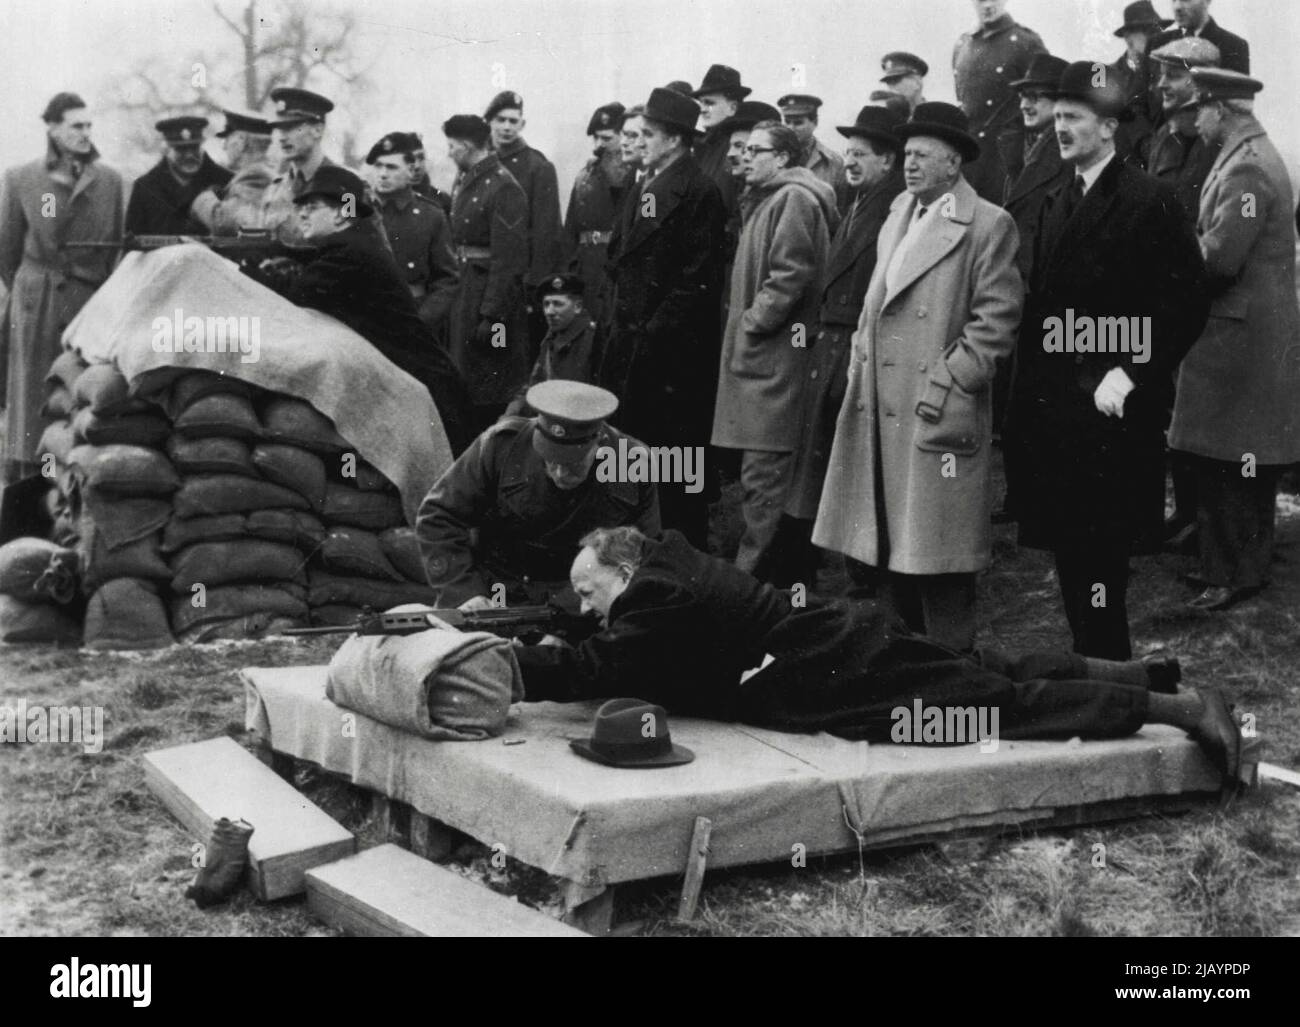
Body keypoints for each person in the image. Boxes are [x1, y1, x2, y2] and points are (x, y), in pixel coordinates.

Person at [513, 526, 1247, 786]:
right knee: (982, 667)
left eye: (589, 591)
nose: (587, 609)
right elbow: (609, 642)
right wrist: (557, 626)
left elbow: (598, 666)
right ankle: (1144, 676)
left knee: (989, 708)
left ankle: (1178, 710)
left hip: (830, 671)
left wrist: (514, 666)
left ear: (620, 572)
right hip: (843, 639)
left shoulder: (652, 600)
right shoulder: (666, 567)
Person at [1003, 61, 1208, 660]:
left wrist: (1132, 372)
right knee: (1072, 553)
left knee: (1102, 563)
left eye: (1073, 118)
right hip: (1056, 413)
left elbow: (1187, 303)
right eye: (1058, 116)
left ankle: (1111, 678)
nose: (1059, 128)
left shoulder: (1152, 200)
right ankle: (1096, 675)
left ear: (1109, 127)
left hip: (1112, 414)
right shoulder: (1056, 199)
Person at [812, 102, 1023, 652]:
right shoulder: (901, 210)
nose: (909, 165)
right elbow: (875, 302)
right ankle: (905, 669)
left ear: (953, 164)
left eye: (923, 155)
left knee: (939, 556)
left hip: (934, 408)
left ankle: (955, 675)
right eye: (906, 154)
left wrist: (951, 382)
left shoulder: (988, 224)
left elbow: (996, 322)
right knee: (886, 548)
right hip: (880, 405)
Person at [1168, 70, 1300, 611]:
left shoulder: (1245, 168)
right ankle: (1231, 566)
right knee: (1235, 457)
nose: (1194, 120)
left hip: (1239, 335)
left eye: (1200, 109)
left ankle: (1236, 574)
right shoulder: (1250, 155)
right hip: (1248, 332)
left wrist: (1173, 252)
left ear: (1222, 111)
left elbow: (1222, 259)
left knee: (1235, 459)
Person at [246, 164, 473, 455]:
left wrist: (247, 270)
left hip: (430, 399)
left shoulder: (349, 254)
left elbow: (295, 293)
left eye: (312, 207)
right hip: (422, 388)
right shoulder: (356, 244)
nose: (300, 213)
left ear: (342, 213)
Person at [783, 105, 907, 584]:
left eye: (862, 154)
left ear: (887, 161)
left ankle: (861, 575)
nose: (850, 161)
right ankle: (833, 568)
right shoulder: (859, 201)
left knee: (855, 465)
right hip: (832, 344)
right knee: (829, 464)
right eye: (849, 152)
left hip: (854, 346)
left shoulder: (892, 209)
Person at [601, 87, 727, 549]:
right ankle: (634, 551)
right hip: (633, 348)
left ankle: (679, 557)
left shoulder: (699, 192)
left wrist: (652, 335)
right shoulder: (645, 185)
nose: (638, 142)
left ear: (675, 140)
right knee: (630, 454)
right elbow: (621, 256)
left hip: (672, 359)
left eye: (649, 134)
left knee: (673, 466)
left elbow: (696, 282)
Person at [712, 121, 835, 582]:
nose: (742, 156)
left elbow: (790, 274)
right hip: (768, 362)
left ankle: (756, 582)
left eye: (754, 149)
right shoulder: (773, 199)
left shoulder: (794, 200)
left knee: (765, 480)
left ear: (783, 158)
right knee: (766, 478)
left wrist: (753, 323)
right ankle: (774, 580)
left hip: (775, 365)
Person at [416, 381, 660, 609]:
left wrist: (576, 611)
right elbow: (438, 516)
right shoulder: (500, 446)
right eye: (550, 461)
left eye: (572, 463)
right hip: (497, 592)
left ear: (599, 442)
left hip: (584, 600)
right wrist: (464, 594)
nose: (560, 473)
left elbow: (644, 550)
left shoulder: (631, 463)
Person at [0, 92, 123, 482]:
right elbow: (7, 251)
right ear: (52, 129)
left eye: (89, 126)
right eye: (76, 126)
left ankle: (74, 488)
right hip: (36, 307)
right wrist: (30, 294)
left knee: (81, 395)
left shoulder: (110, 181)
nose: (85, 133)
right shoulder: (23, 179)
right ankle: (31, 490)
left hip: (87, 303)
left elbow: (118, 246)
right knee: (34, 403)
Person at [442, 113, 530, 436]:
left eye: (451, 146)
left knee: (490, 378)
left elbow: (509, 261)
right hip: (466, 291)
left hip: (488, 301)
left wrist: (492, 316)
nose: (449, 153)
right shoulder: (468, 178)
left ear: (465, 146)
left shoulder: (504, 187)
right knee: (466, 376)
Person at [258, 87, 388, 250]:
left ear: (317, 130)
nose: (283, 137)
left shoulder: (349, 189)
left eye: (291, 127)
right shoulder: (274, 191)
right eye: (279, 128)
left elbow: (370, 254)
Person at [483, 90, 562, 336]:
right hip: (481, 276)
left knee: (507, 346)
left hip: (518, 282)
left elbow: (546, 232)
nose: (507, 127)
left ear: (522, 124)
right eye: (501, 120)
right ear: (489, 122)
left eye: (513, 121)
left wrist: (535, 287)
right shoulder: (479, 164)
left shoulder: (538, 167)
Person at [365, 131, 458, 340]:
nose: (382, 174)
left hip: (410, 318)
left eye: (391, 167)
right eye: (378, 166)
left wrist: (421, 322)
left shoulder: (431, 215)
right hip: (364, 316)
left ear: (410, 170)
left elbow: (448, 280)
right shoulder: (356, 207)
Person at [952, 0, 1047, 203]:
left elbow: (1045, 98)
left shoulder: (1024, 42)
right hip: (970, 153)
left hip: (1007, 156)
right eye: (980, 0)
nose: (987, 5)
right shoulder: (963, 45)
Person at [999, 54, 1071, 279]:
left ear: (1059, 101)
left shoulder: (1069, 154)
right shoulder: (1020, 149)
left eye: (1032, 97)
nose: (1023, 105)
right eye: (1022, 96)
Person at [562, 103, 629, 329]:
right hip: (586, 267)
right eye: (596, 138)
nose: (600, 145)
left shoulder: (637, 176)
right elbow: (570, 229)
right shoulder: (586, 175)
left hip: (614, 267)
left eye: (607, 138)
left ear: (623, 136)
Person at [1146, 37, 1224, 224]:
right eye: (1162, 75)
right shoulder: (1165, 134)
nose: (1161, 84)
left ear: (1203, 82)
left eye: (1173, 76)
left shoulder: (1221, 138)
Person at [505, 274, 603, 415]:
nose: (549, 312)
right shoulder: (552, 336)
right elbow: (536, 384)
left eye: (558, 304)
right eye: (546, 304)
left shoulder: (593, 339)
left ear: (577, 307)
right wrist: (509, 415)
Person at [125, 116, 232, 235]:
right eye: (181, 150)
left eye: (194, 148)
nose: (189, 156)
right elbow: (133, 240)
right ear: (167, 150)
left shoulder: (225, 181)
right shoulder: (145, 187)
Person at [190, 109, 278, 234]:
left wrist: (202, 197)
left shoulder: (256, 175)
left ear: (241, 142)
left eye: (227, 139)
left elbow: (223, 222)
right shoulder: (262, 172)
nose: (224, 147)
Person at [1108, 1, 1170, 162]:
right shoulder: (1104, 72)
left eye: (1158, 31)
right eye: (1147, 31)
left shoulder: (1166, 73)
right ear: (1128, 37)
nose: (1156, 37)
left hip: (1161, 159)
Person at [691, 64, 753, 225]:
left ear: (732, 108)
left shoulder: (737, 150)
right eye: (701, 104)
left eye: (709, 103)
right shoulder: (703, 147)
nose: (702, 110)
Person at [776, 94, 848, 211]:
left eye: (798, 123)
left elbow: (841, 209)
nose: (791, 128)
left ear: (815, 122)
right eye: (787, 122)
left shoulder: (833, 162)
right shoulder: (774, 158)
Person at [1147, 0, 1249, 74]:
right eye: (1173, 0)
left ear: (1207, 1)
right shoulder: (1157, 43)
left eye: (1185, 0)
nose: (1177, 7)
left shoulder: (1234, 46)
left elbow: (1238, 101)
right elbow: (1139, 101)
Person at [407, 135, 453, 215]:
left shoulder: (442, 200)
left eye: (421, 158)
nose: (417, 166)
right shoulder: (383, 202)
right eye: (409, 160)